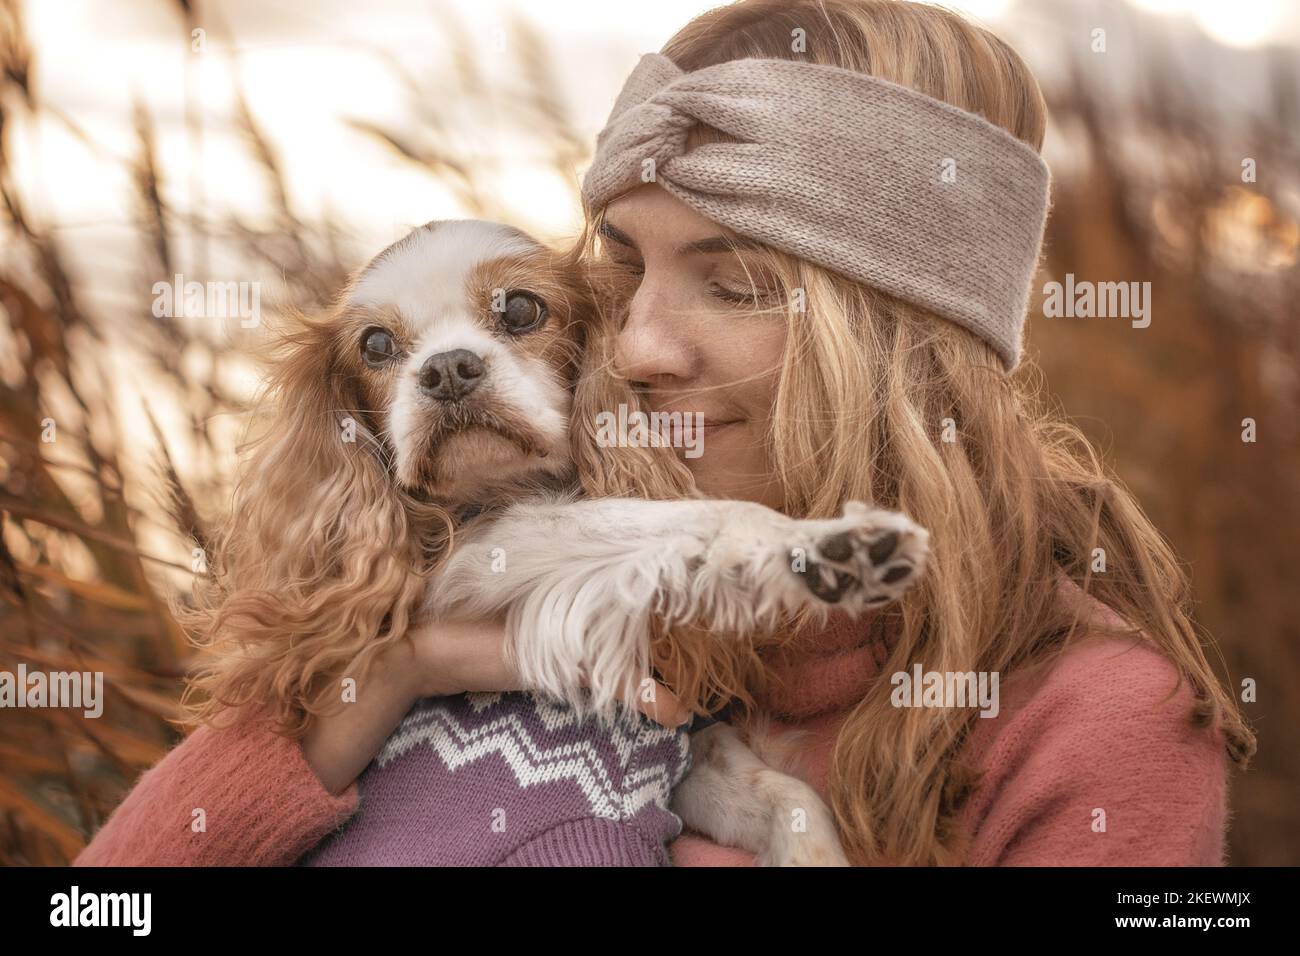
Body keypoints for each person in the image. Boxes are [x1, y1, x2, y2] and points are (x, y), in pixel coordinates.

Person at [76, 0, 1252, 868]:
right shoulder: (472, 605)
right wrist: (389, 675)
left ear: (901, 345)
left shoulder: (1096, 724)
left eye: (731, 284)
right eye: (622, 270)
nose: (634, 344)